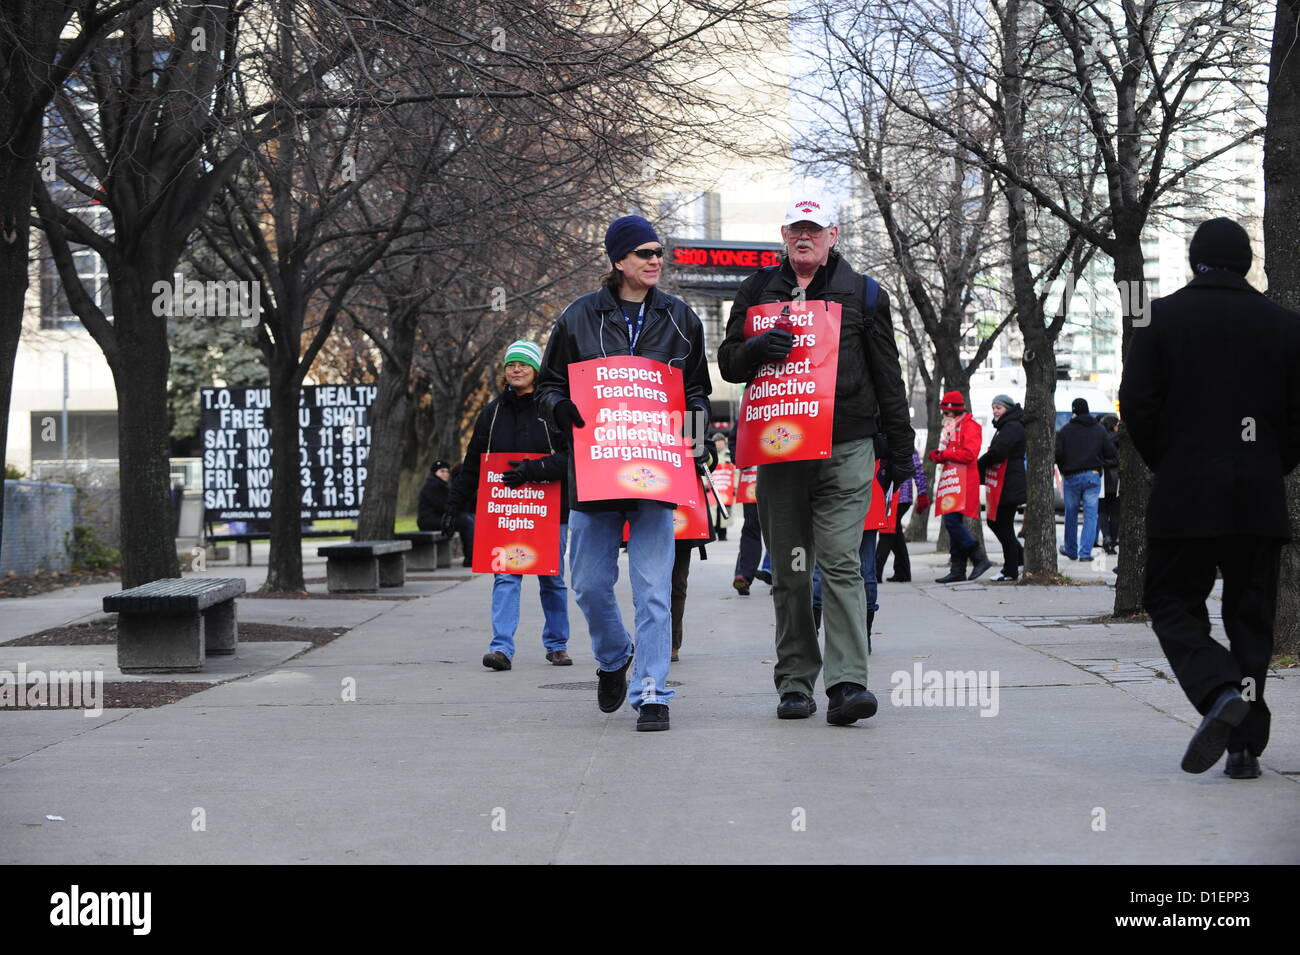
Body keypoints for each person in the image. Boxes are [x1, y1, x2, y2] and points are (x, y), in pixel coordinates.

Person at [718, 190, 915, 725]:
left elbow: (888, 377)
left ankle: (848, 684)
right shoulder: (756, 290)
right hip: (781, 449)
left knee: (841, 562)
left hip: (847, 445)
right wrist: (759, 349)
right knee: (792, 570)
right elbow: (730, 362)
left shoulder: (866, 295)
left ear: (833, 237)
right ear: (783, 238)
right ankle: (795, 684)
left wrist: (901, 450)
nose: (804, 236)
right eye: (794, 229)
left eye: (814, 229)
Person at [1119, 217, 1300, 779]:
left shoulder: (1158, 319)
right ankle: (1244, 745)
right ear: (1247, 263)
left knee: (1172, 602)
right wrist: (1270, 464)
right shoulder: (1286, 326)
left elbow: (1138, 407)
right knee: (1250, 617)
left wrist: (1173, 463)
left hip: (1186, 493)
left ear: (1194, 261)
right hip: (1258, 495)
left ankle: (1219, 689)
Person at [535, 215, 712, 733]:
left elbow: (696, 390)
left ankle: (653, 691)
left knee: (654, 587)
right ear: (618, 260)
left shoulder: (681, 318)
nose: (656, 259)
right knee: (588, 584)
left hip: (657, 469)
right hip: (595, 469)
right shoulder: (577, 317)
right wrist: (558, 408)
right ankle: (614, 656)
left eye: (659, 252)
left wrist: (696, 441)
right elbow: (548, 384)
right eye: (644, 252)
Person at [444, 341, 571, 671]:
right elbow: (473, 463)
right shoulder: (492, 413)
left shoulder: (554, 410)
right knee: (505, 577)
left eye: (523, 365)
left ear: (536, 371)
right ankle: (501, 648)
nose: (515, 370)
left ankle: (557, 645)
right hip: (506, 511)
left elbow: (571, 460)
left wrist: (532, 470)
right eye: (510, 365)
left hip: (549, 509)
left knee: (552, 578)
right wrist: (453, 506)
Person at [931, 391, 992, 582]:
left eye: (946, 413)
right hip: (953, 482)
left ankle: (978, 556)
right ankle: (958, 569)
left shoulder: (970, 427)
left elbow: (969, 454)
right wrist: (941, 455)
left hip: (964, 482)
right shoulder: (951, 428)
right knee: (952, 522)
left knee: (951, 522)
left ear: (954, 412)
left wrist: (945, 455)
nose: (943, 417)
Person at [1054, 398, 1116, 561]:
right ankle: (1085, 552)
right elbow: (1111, 454)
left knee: (1071, 514)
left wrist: (1064, 469)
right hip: (1092, 475)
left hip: (1071, 476)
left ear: (1074, 411)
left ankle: (1071, 549)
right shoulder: (1099, 430)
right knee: (1090, 515)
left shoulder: (1066, 430)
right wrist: (1099, 464)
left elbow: (1057, 454)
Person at [978, 395, 1026, 581]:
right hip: (1004, 483)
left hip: (1009, 484)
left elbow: (999, 452)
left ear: (1008, 408)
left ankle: (1010, 569)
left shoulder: (1012, 426)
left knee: (1002, 524)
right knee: (996, 522)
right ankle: (1017, 558)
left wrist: (979, 464)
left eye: (998, 407)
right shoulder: (1005, 426)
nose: (995, 411)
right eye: (993, 407)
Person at [876, 444, 929, 583]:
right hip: (893, 495)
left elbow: (917, 469)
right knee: (895, 534)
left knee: (887, 532)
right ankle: (903, 572)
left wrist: (923, 493)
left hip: (899, 497)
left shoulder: (906, 444)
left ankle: (875, 572)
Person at [419, 459, 473, 566]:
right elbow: (443, 507)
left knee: (469, 518)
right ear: (435, 472)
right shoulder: (432, 485)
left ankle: (472, 556)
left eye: (447, 471)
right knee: (466, 521)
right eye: (442, 471)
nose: (445, 474)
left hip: (438, 518)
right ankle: (470, 558)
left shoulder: (442, 485)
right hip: (429, 521)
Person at [1098, 414, 1121, 554]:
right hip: (1116, 478)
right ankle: (1113, 541)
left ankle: (1105, 536)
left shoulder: (1100, 439)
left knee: (1102, 511)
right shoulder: (1120, 440)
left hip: (1103, 478)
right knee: (1115, 512)